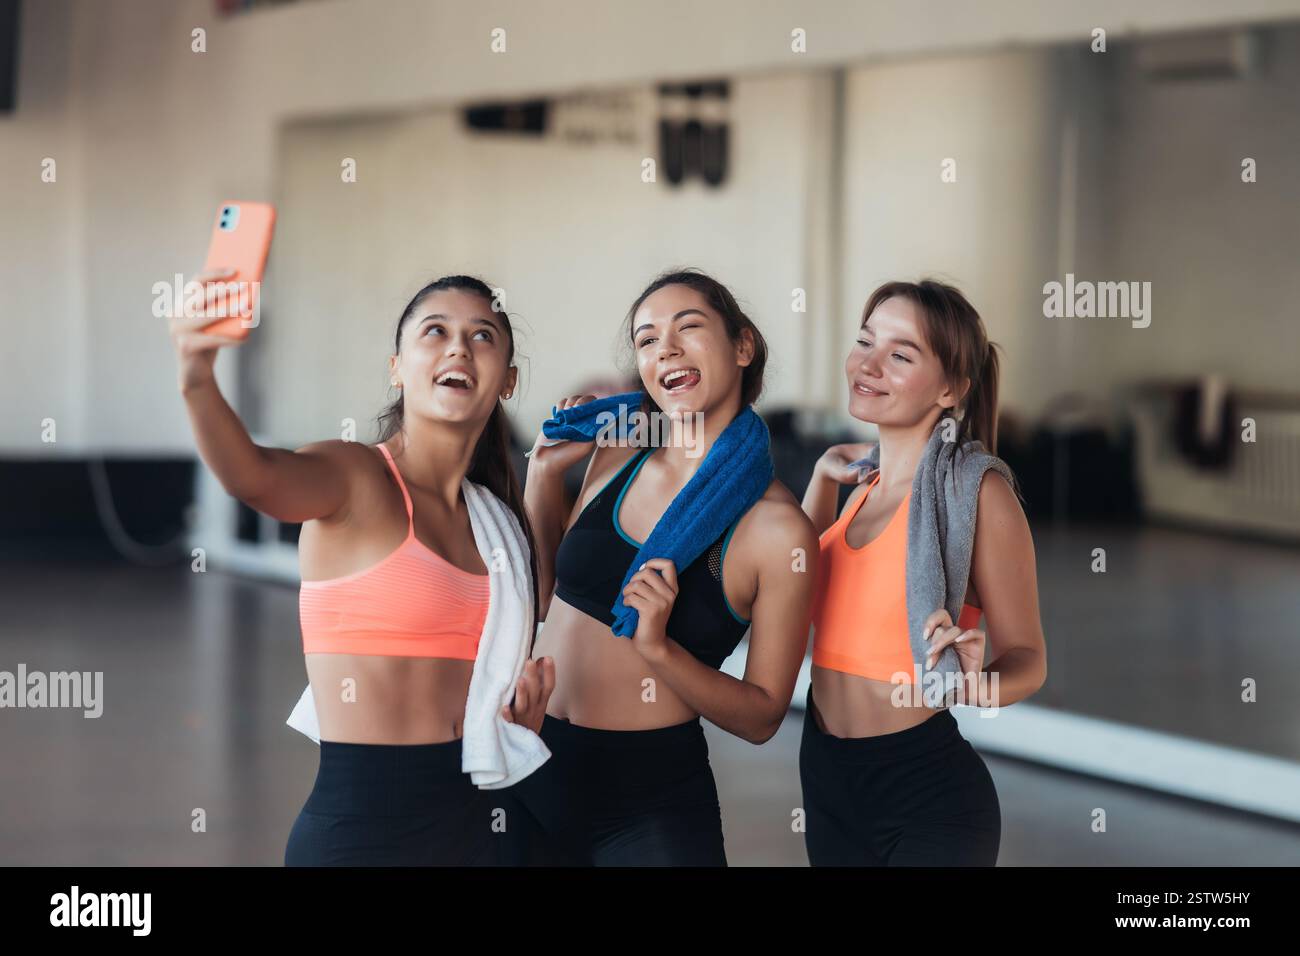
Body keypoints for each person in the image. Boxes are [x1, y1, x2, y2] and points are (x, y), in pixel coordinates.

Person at [165, 270, 553, 865]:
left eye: (482, 336)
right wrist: (196, 376)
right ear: (397, 366)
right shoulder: (356, 479)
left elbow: (531, 621)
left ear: (507, 380)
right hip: (362, 835)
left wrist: (516, 718)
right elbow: (255, 476)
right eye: (435, 332)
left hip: (482, 828)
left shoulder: (493, 518)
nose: (457, 347)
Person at [513, 269, 819, 866]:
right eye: (647, 339)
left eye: (689, 327)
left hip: (648, 803)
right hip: (533, 761)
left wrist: (657, 649)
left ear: (743, 345)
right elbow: (545, 601)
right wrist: (544, 477)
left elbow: (761, 716)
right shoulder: (617, 450)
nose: (666, 349)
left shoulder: (778, 530)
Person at [798, 279, 1047, 866]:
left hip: (926, 794)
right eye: (865, 341)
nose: (868, 364)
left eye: (900, 354)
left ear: (952, 388)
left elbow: (1029, 660)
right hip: (827, 776)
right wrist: (818, 481)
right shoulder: (859, 487)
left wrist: (969, 683)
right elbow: (792, 592)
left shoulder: (976, 492)